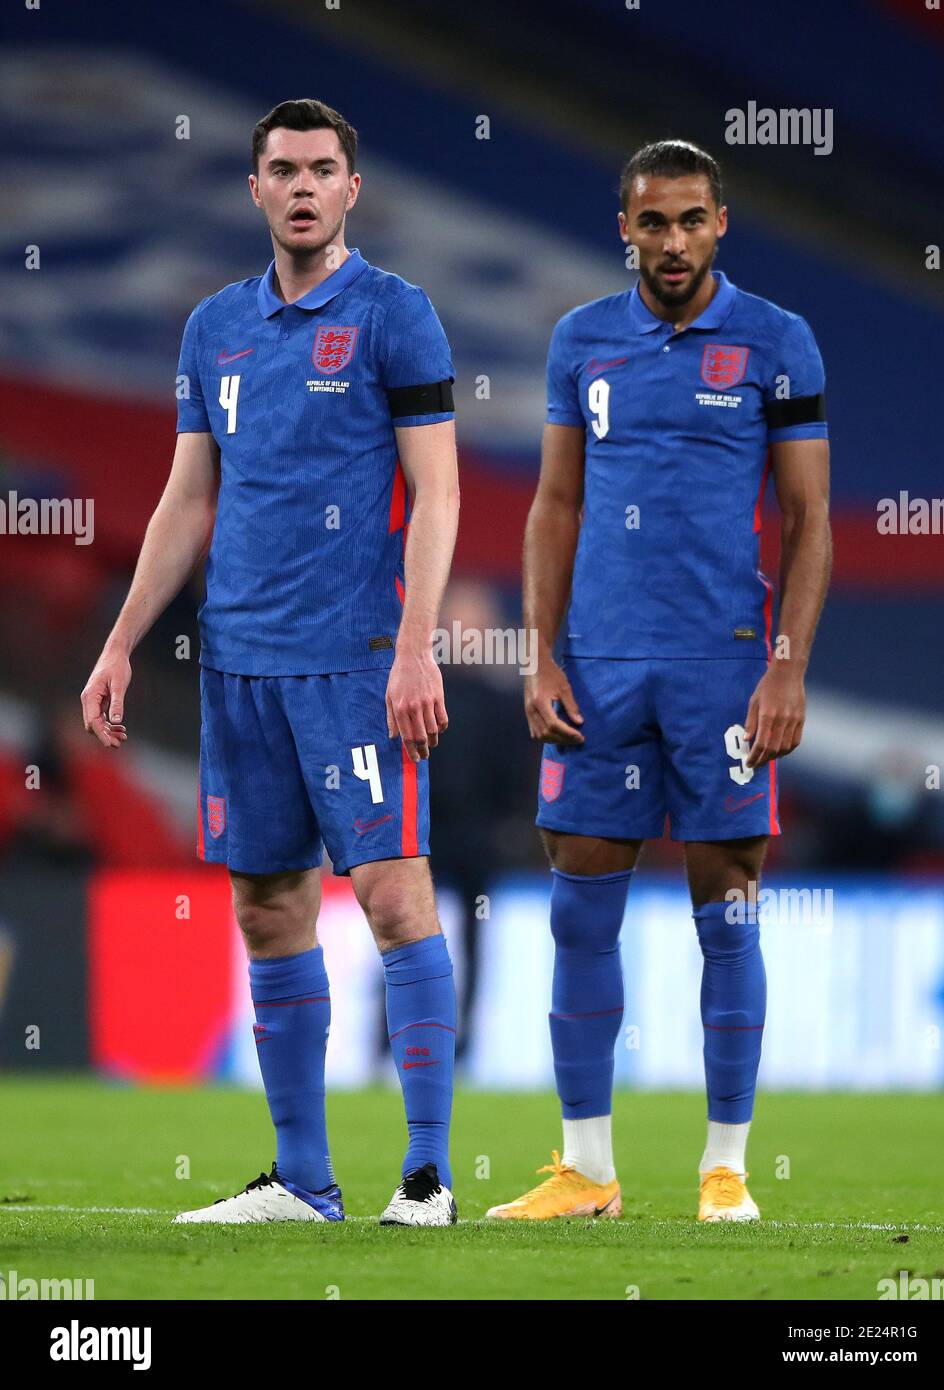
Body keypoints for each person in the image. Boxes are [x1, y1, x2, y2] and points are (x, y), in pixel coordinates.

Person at [81, 99, 460, 1228]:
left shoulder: (398, 316)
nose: (302, 186)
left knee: (393, 896)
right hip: (237, 663)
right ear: (255, 190)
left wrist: (413, 646)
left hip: (351, 661)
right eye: (282, 169)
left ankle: (429, 1178)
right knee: (265, 907)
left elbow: (437, 491)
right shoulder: (214, 329)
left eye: (322, 169)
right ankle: (304, 1181)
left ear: (352, 188)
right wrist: (120, 638)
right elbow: (188, 495)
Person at [488, 140, 831, 1223]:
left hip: (724, 671)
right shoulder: (580, 340)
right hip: (597, 668)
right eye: (652, 223)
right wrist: (539, 652)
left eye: (690, 220)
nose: (671, 241)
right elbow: (552, 504)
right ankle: (586, 1170)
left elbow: (811, 518)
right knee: (577, 918)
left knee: (726, 917)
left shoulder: (778, 341)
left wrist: (786, 664)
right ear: (623, 229)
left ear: (720, 223)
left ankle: (724, 1171)